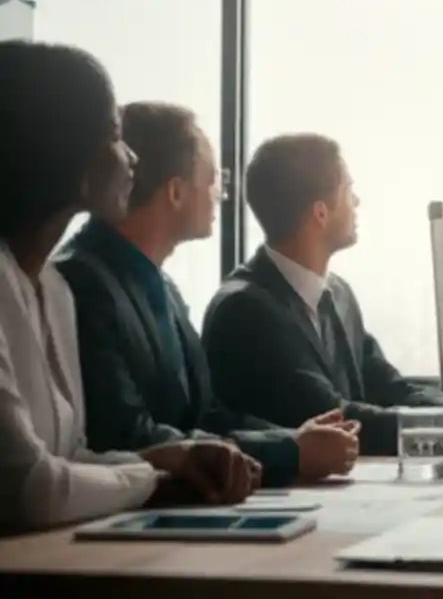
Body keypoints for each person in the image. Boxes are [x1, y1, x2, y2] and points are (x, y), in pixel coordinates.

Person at [0, 41, 257, 532]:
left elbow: (70, 454)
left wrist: (171, 458)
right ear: (64, 147)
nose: (131, 158)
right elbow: (31, 487)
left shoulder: (52, 289)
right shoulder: (76, 279)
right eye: (115, 137)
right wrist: (156, 475)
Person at [56, 102, 359, 487]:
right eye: (214, 178)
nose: (220, 194)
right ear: (176, 192)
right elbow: (127, 437)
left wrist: (291, 439)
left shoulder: (162, 288)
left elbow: (206, 417)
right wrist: (289, 453)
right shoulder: (83, 284)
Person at [202, 133, 443, 455]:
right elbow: (336, 416)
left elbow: (390, 389)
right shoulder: (245, 309)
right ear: (320, 212)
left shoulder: (336, 293)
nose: (356, 201)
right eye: (348, 190)